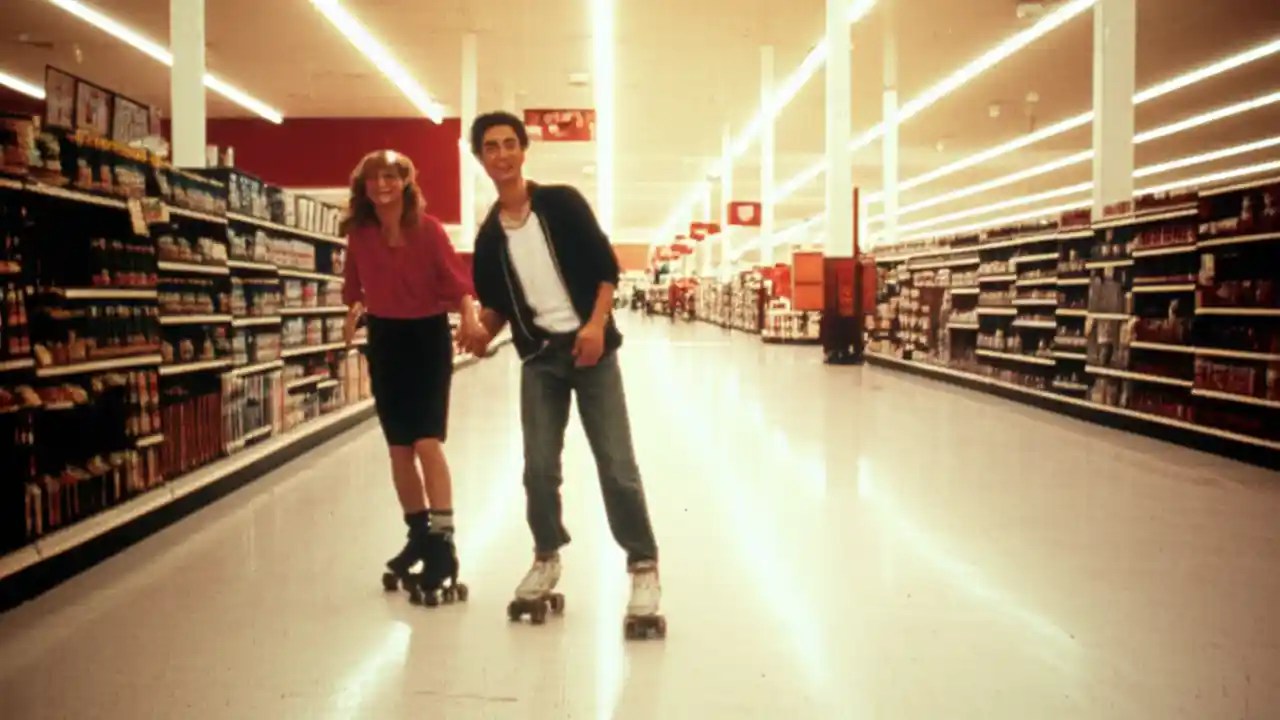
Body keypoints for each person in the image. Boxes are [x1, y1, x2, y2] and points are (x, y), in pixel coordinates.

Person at [460, 111, 665, 637]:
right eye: (490, 147)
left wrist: (596, 326)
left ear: (524, 150)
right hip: (541, 360)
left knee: (616, 464)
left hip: (592, 352)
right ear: (480, 158)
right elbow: (498, 307)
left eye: (509, 143)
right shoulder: (489, 238)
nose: (501, 154)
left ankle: (643, 565)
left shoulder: (562, 204)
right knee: (538, 468)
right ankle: (546, 556)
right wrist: (480, 333)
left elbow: (605, 270)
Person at [340, 149, 481, 606]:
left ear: (405, 182)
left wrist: (470, 317)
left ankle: (443, 542)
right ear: (363, 187)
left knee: (426, 441)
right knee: (398, 446)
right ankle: (417, 534)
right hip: (385, 339)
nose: (382, 185)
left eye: (390, 176)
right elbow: (353, 288)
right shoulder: (359, 235)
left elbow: (458, 284)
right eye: (373, 178)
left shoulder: (429, 229)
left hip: (426, 338)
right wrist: (352, 313)